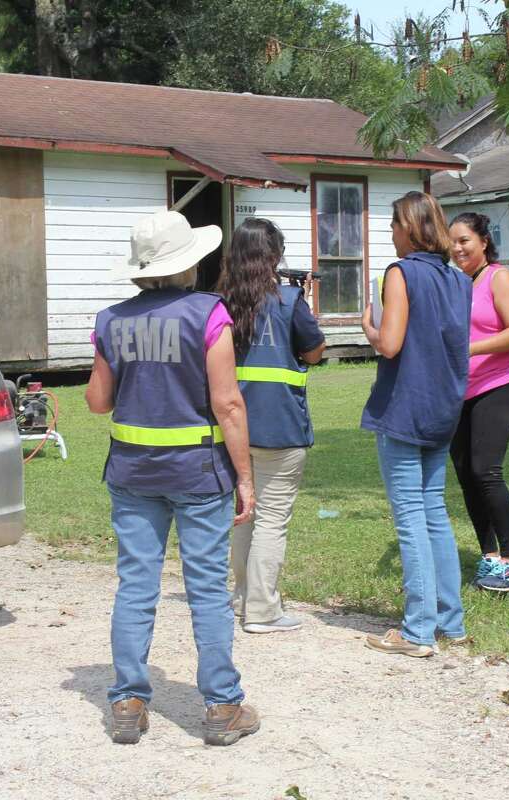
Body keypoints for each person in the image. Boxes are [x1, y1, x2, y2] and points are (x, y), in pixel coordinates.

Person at [85, 209, 260, 746]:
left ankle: (129, 701)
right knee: (206, 588)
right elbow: (227, 403)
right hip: (199, 473)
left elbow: (97, 401)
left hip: (132, 471)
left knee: (136, 585)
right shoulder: (209, 315)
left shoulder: (111, 320)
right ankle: (221, 707)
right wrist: (246, 478)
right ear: (190, 262)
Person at [360, 191, 472, 658]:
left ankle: (417, 630)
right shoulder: (458, 278)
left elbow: (390, 344)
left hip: (405, 407)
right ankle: (451, 621)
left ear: (408, 226)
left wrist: (368, 325)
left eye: (392, 225)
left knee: (410, 518)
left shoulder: (400, 273)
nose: (390, 234)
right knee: (433, 514)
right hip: (444, 407)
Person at [217, 218, 326, 635]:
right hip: (280, 424)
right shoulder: (289, 299)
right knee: (272, 518)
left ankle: (243, 598)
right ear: (275, 256)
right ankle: (262, 611)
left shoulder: (219, 303)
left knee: (245, 513)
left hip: (231, 427)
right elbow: (313, 351)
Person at [448, 213, 509, 591]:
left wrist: (469, 348)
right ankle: (489, 556)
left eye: (464, 240)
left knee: (486, 470)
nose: (457, 248)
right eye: (452, 241)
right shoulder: (456, 283)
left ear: (483, 240)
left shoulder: (500, 278)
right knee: (465, 472)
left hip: (498, 384)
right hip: (457, 390)